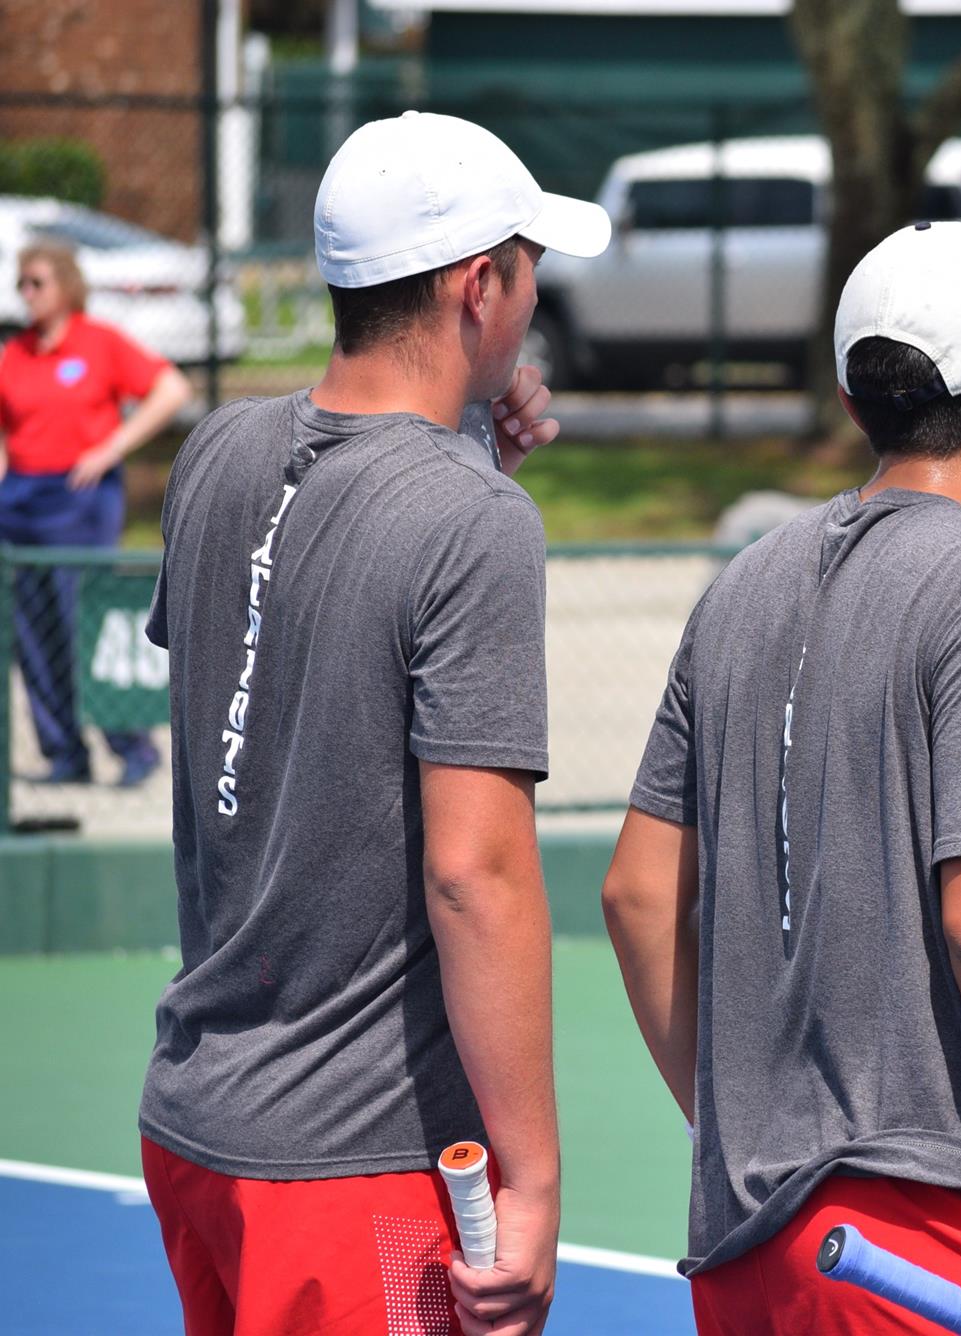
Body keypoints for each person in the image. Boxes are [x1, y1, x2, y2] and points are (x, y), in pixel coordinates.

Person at [602, 220, 961, 1336]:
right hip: (935, 1252)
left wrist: (753, 1134)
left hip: (750, 1248)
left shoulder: (739, 588)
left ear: (858, 405)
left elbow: (637, 894)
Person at [138, 111, 608, 1336]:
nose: (534, 296)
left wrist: (467, 457)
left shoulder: (217, 451)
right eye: (526, 266)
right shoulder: (469, 522)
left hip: (198, 1126)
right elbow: (476, 872)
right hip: (357, 1164)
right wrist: (536, 1175)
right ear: (475, 286)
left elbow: (287, 667)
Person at [0, 240, 190, 786]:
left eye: (37, 283)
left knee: (80, 621)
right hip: (21, 499)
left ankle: (132, 747)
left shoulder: (98, 343)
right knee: (32, 630)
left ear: (65, 286)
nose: (28, 294)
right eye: (22, 285)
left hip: (77, 502)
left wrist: (110, 448)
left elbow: (170, 388)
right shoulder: (18, 353)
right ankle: (63, 753)